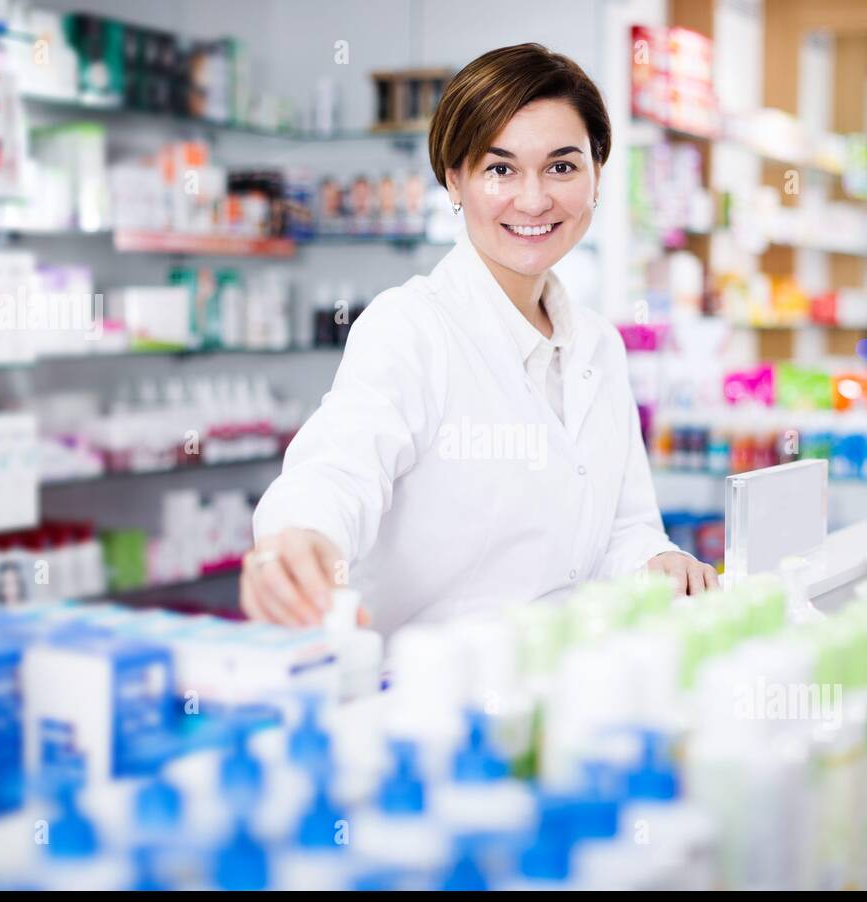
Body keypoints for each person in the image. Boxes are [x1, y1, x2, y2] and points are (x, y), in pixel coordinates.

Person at [243, 43, 717, 634]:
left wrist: (657, 559)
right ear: (454, 181)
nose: (534, 198)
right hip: (426, 695)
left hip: (558, 687)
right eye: (500, 169)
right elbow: (336, 472)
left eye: (562, 166)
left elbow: (626, 527)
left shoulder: (599, 344)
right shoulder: (410, 326)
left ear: (597, 175)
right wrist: (298, 540)